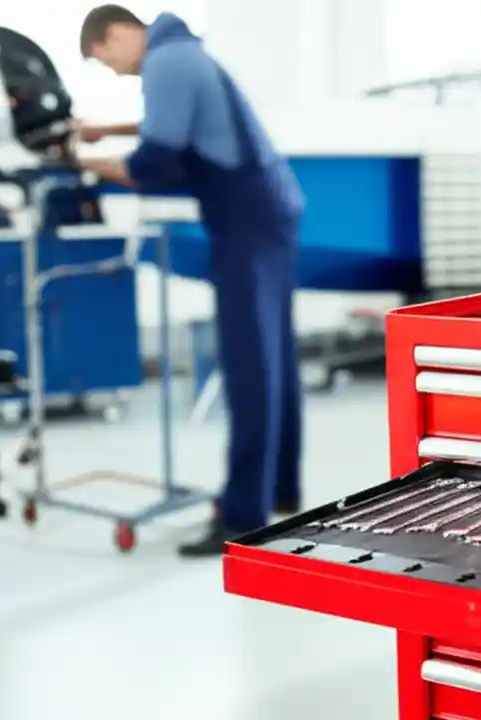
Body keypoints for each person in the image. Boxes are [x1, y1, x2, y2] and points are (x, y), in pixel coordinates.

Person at [76, 5, 305, 557]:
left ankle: (243, 517)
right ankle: (279, 491)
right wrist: (106, 130)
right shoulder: (183, 54)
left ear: (120, 33)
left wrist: (83, 160)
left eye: (108, 63)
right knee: (273, 357)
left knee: (250, 366)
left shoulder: (166, 62)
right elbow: (174, 130)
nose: (117, 75)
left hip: (246, 222)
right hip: (268, 211)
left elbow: (156, 160)